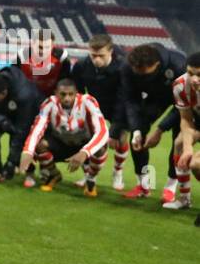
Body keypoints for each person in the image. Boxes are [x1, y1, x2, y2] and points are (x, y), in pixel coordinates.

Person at [17, 77, 110, 197]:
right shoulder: (49, 104)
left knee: (101, 148)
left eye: (71, 94)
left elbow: (103, 131)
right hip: (61, 145)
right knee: (40, 145)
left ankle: (91, 179)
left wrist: (85, 152)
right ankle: (54, 174)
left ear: (77, 93)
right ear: (56, 93)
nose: (67, 98)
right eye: (63, 94)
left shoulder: (88, 102)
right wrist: (28, 151)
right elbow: (37, 128)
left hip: (83, 146)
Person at [121, 42, 186, 202]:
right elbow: (130, 99)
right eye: (137, 73)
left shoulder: (179, 65)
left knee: (179, 140)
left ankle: (170, 187)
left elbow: (183, 105)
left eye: (144, 73)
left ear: (157, 64)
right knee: (138, 135)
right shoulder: (128, 66)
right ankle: (143, 185)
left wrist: (159, 130)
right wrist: (136, 129)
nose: (140, 76)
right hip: (154, 99)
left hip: (182, 104)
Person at [68, 35, 130, 190]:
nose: (96, 59)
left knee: (120, 138)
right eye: (93, 55)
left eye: (101, 56)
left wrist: (114, 128)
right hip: (96, 107)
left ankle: (118, 172)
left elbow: (123, 98)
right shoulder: (81, 65)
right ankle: (89, 175)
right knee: (89, 139)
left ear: (111, 52)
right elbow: (78, 92)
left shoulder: (123, 68)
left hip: (119, 107)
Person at [0, 65, 41, 186]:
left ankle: (29, 173)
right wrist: (2, 121)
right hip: (8, 113)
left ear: (4, 92)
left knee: (23, 139)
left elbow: (22, 129)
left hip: (30, 114)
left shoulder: (24, 94)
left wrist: (11, 162)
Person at [163, 52, 200, 212]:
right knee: (179, 144)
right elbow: (185, 120)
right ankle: (184, 199)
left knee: (196, 164)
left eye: (199, 75)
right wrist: (188, 148)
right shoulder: (180, 85)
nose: (194, 79)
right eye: (190, 73)